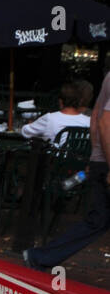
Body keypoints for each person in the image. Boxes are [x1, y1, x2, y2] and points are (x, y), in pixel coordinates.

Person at [24, 69, 110, 273]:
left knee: (97, 220)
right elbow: (103, 121)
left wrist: (96, 155)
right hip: (102, 161)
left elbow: (97, 116)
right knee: (97, 220)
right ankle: (40, 257)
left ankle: (40, 257)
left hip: (96, 160)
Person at [19, 81, 91, 144]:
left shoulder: (49, 119)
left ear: (60, 101)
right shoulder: (89, 121)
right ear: (79, 101)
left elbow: (25, 132)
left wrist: (30, 123)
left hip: (55, 159)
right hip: (80, 159)